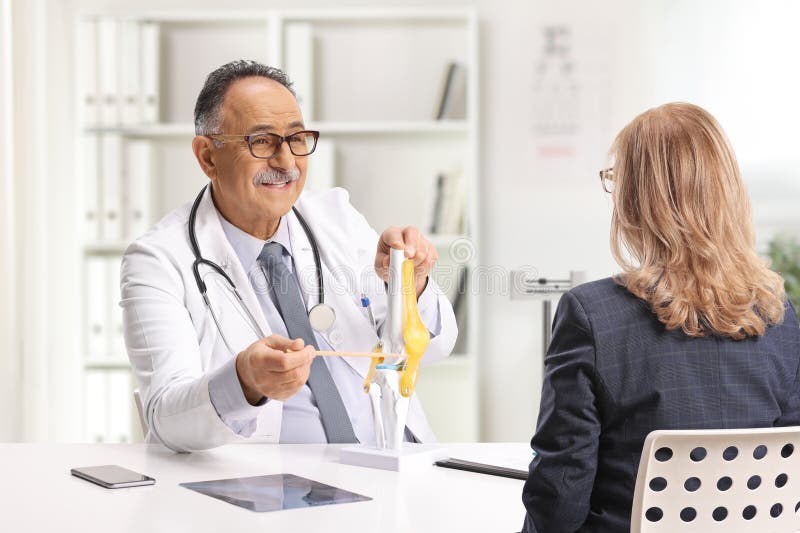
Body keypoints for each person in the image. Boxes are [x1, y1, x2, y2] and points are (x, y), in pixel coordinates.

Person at [120, 60, 457, 452]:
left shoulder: (336, 216)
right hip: (282, 491)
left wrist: (407, 285)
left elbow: (431, 348)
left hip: (399, 459)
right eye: (262, 142)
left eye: (297, 139)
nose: (286, 162)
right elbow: (166, 420)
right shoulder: (157, 261)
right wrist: (245, 382)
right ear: (208, 157)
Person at [521, 102, 800, 532]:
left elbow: (560, 500)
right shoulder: (779, 318)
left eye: (615, 181)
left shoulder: (590, 316)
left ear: (636, 201)